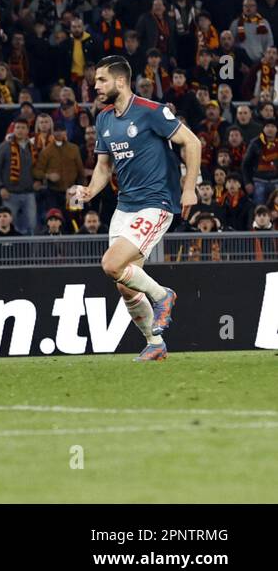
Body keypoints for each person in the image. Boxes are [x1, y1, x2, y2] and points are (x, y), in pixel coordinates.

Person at [69, 56, 203, 362]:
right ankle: (154, 343)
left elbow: (192, 143)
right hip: (125, 207)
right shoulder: (103, 119)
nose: (95, 86)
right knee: (124, 284)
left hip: (155, 204)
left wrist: (188, 188)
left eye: (101, 80)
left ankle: (162, 295)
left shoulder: (151, 112)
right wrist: (90, 190)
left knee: (111, 264)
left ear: (119, 81)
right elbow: (104, 166)